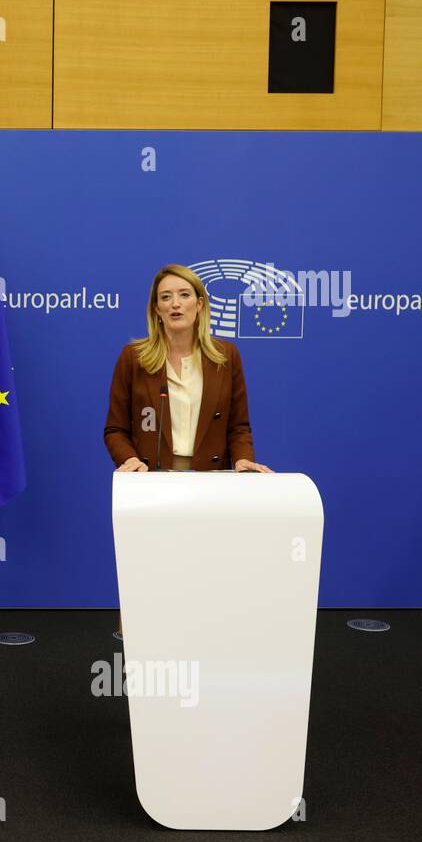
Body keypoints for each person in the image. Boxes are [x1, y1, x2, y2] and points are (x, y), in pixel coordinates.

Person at [104, 264, 271, 636]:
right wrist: (129, 458)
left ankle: (203, 651)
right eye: (165, 297)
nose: (174, 304)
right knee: (151, 580)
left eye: (183, 296)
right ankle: (145, 658)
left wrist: (243, 459)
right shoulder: (134, 358)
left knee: (201, 580)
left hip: (208, 484)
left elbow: (238, 426)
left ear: (200, 305)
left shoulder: (226, 357)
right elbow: (115, 429)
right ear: (156, 310)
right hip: (151, 484)